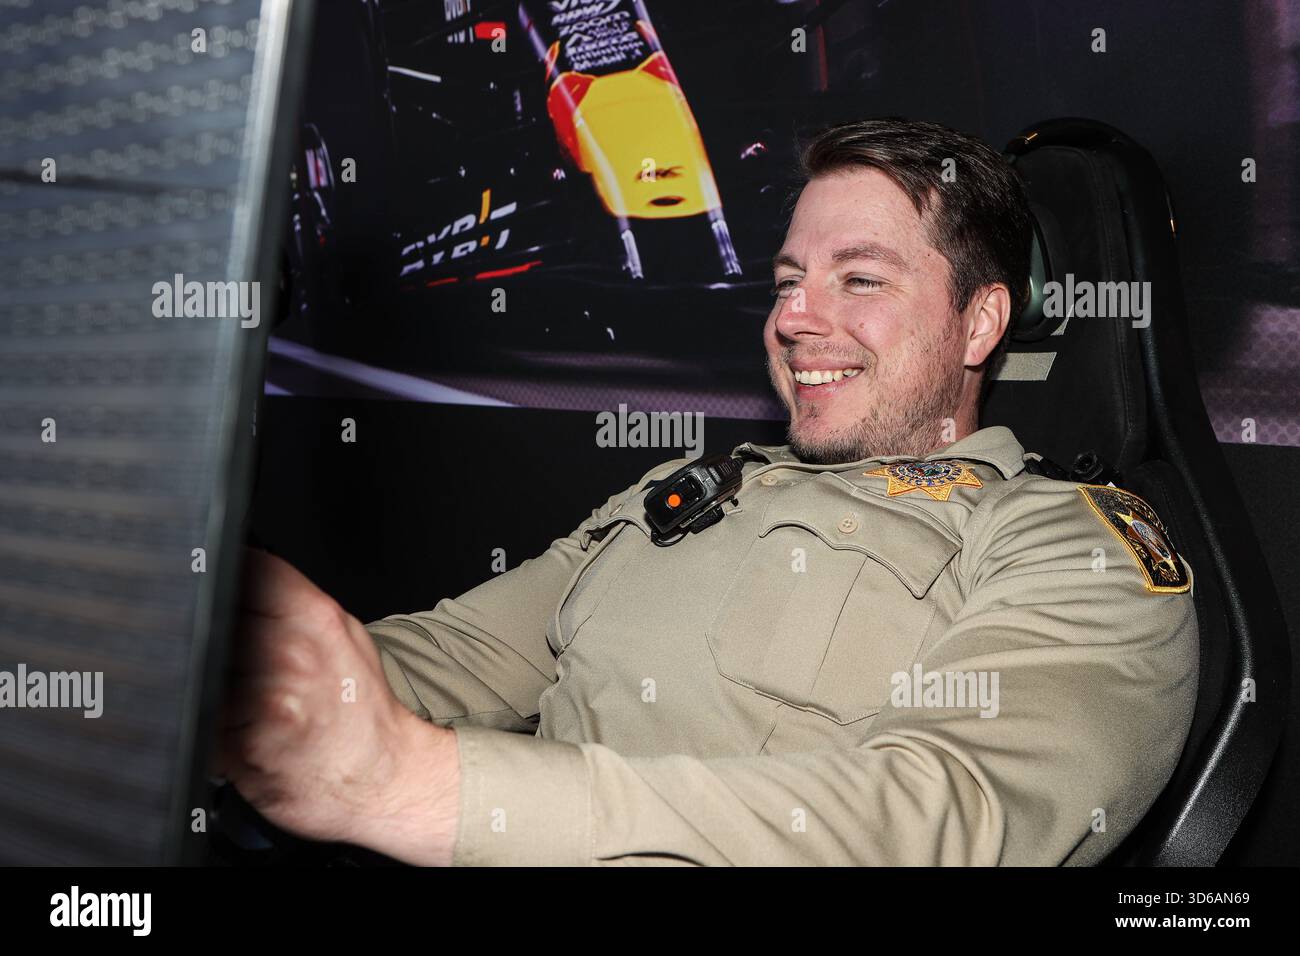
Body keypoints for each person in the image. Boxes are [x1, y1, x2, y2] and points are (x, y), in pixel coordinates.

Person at [216, 118, 1198, 866]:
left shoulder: (1064, 540)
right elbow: (455, 659)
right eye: (785, 280)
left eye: (858, 280)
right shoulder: (694, 485)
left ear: (979, 322)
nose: (796, 318)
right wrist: (220, 685)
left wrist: (424, 787)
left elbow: (951, 816)